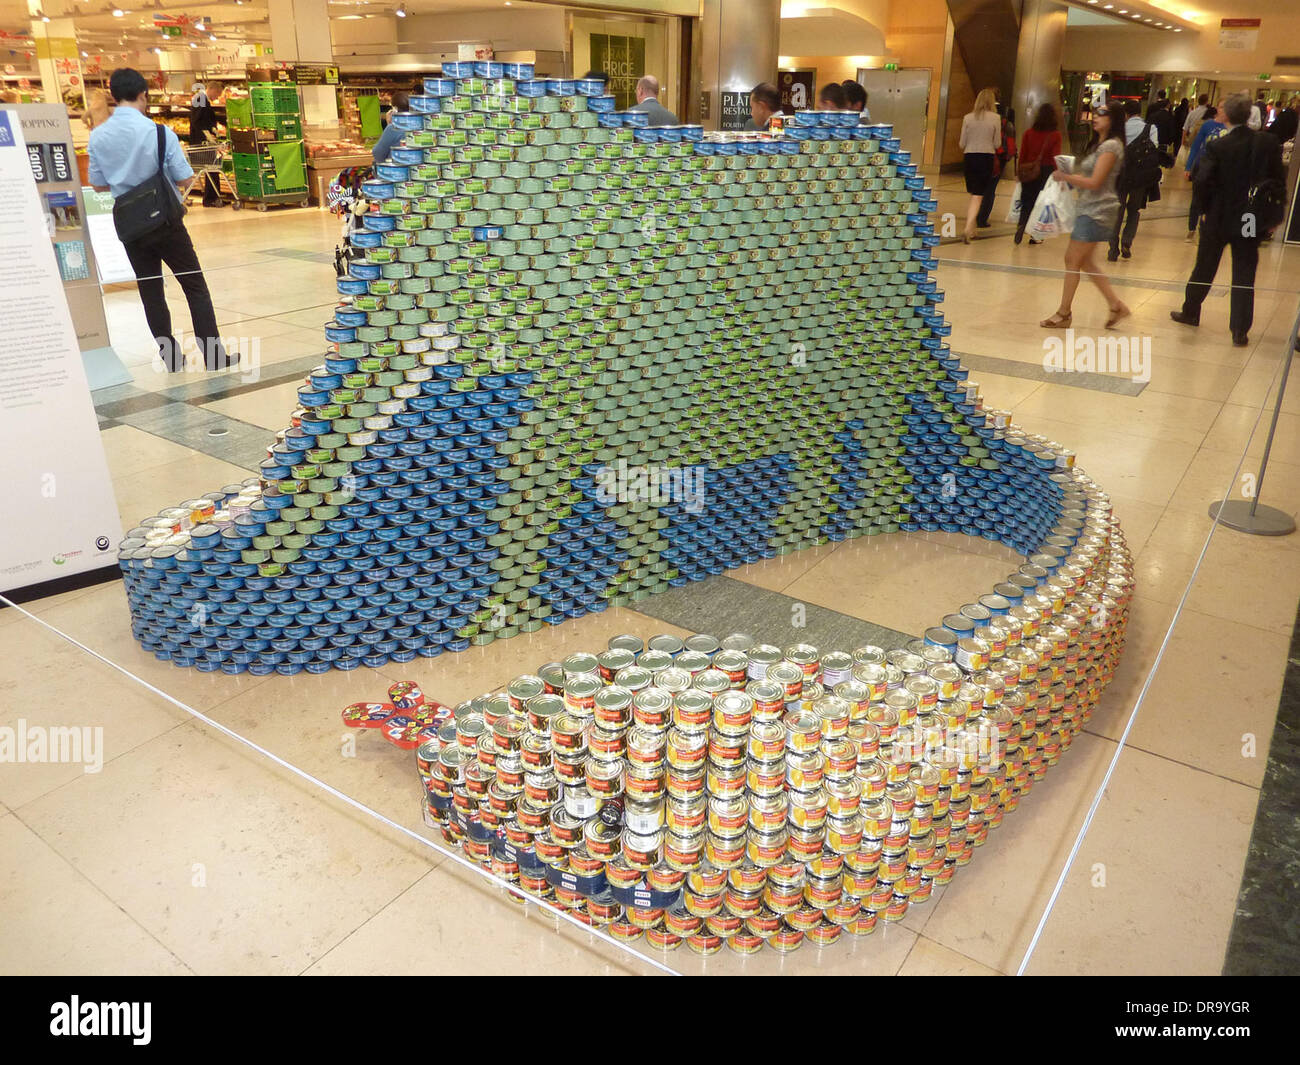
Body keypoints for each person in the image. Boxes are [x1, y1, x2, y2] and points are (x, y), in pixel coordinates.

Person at [88, 69, 231, 372]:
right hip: (166, 222)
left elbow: (99, 184)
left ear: (113, 96)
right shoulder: (159, 132)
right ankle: (214, 357)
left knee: (151, 291)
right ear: (143, 95)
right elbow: (185, 178)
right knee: (194, 286)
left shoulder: (98, 136)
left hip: (129, 223)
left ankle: (171, 359)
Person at [1170, 93, 1285, 347]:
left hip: (1218, 216)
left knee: (1205, 266)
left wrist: (1202, 208)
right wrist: (1276, 215)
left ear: (1227, 115)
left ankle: (1191, 311)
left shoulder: (1218, 146)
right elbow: (1278, 181)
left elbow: (1203, 181)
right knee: (1244, 271)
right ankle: (1240, 330)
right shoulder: (1266, 143)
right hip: (1249, 217)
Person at [1039, 103, 1129, 330]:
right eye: (1095, 113)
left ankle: (1064, 313)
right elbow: (1090, 177)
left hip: (1097, 210)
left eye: (1102, 114)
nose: (1095, 117)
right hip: (1090, 207)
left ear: (1113, 119)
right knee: (1085, 261)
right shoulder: (1101, 144)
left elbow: (1095, 182)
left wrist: (1066, 178)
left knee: (1072, 260)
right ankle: (1116, 305)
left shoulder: (1110, 146)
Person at [1107, 98, 1158, 261]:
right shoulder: (1151, 128)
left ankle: (1113, 249)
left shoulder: (1119, 128)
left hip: (1121, 175)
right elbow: (1154, 150)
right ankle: (1127, 241)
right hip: (1140, 177)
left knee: (1117, 211)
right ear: (1139, 112)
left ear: (1125, 114)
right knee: (1134, 210)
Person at [1015, 101, 1061, 246]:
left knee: (1027, 200)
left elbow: (1022, 154)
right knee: (1041, 204)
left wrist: (1019, 172)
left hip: (1028, 170)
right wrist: (1058, 173)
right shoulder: (1055, 135)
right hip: (1046, 171)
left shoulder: (1029, 133)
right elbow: (1055, 156)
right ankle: (1036, 235)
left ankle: (1022, 224)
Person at [959, 88, 1001, 243]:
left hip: (969, 157)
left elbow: (962, 143)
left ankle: (973, 228)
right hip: (986, 157)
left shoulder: (967, 118)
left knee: (974, 193)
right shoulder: (995, 118)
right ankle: (968, 228)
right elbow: (997, 143)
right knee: (978, 195)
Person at [1184, 100, 1226, 241]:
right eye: (1221, 107)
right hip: (1202, 166)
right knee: (1196, 199)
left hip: (1220, 170)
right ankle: (1191, 229)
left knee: (1214, 201)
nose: (1224, 110)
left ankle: (1207, 230)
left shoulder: (1232, 128)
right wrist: (1188, 166)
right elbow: (1196, 146)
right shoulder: (1207, 125)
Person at [976, 104, 1016, 229]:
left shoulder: (985, 122)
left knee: (981, 188)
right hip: (998, 159)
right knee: (990, 189)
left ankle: (976, 215)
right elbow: (1010, 145)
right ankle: (982, 219)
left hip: (982, 156)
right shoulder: (1007, 125)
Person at [371, 90, 411, 164]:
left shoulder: (393, 128)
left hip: (395, 171)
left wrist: (389, 124)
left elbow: (377, 153)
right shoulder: (419, 124)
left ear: (395, 109)